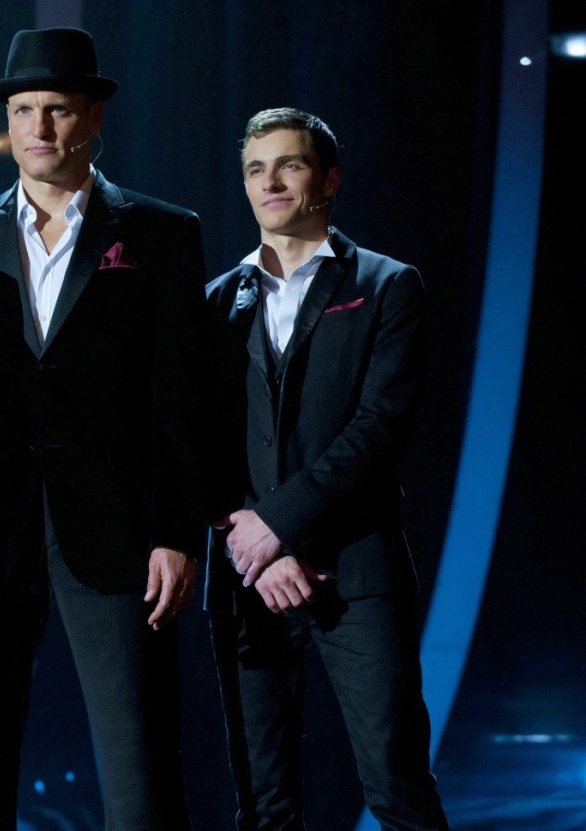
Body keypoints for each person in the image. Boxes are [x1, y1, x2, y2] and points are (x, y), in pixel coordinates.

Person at [0, 27, 207, 830]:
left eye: (58, 109)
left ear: (94, 117)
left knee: (139, 764)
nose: (39, 127)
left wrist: (179, 532)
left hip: (118, 526)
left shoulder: (162, 232)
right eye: (24, 110)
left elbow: (182, 397)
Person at [205, 107, 449, 830]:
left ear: (330, 179)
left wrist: (275, 525)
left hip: (357, 570)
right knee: (264, 799)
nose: (271, 181)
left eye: (290, 164)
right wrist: (253, 540)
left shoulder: (388, 284)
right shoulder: (216, 300)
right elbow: (198, 438)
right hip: (250, 575)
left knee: (397, 783)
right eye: (256, 169)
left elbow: (379, 428)